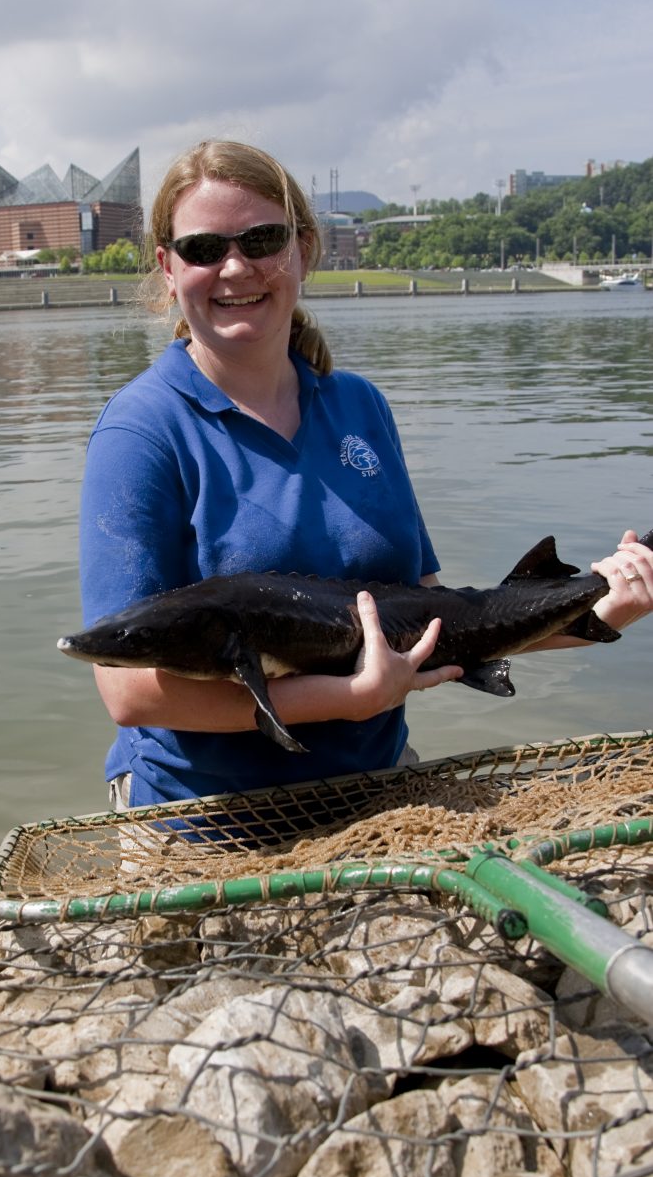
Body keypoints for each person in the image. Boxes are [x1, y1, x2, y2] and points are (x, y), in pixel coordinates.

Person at [78, 139, 653, 812]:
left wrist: (598, 611)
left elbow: (434, 619)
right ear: (168, 268)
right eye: (205, 249)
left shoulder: (358, 405)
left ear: (302, 247)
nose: (235, 267)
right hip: (203, 814)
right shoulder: (140, 431)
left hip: (380, 790)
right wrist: (347, 700)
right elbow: (130, 691)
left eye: (261, 238)